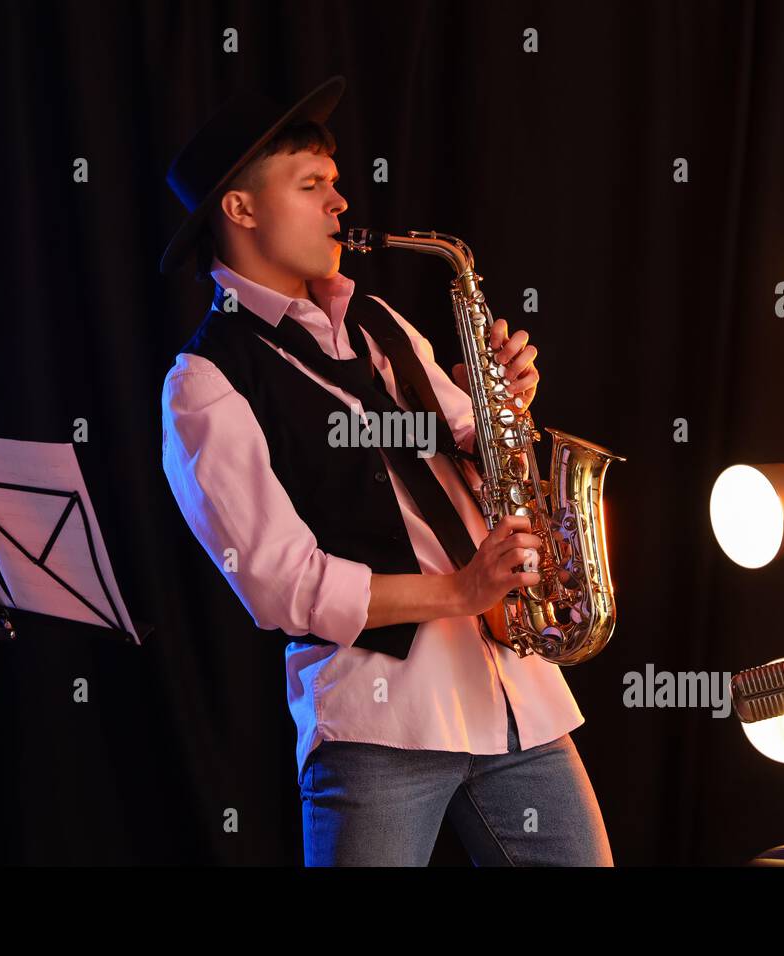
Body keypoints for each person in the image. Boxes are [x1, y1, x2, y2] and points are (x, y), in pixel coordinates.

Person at [159, 75, 613, 866]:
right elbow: (278, 583)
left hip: (512, 691)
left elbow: (472, 439)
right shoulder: (203, 381)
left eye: (335, 185)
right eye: (312, 185)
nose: (340, 203)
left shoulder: (379, 321)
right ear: (241, 210)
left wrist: (504, 410)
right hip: (382, 720)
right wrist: (461, 591)